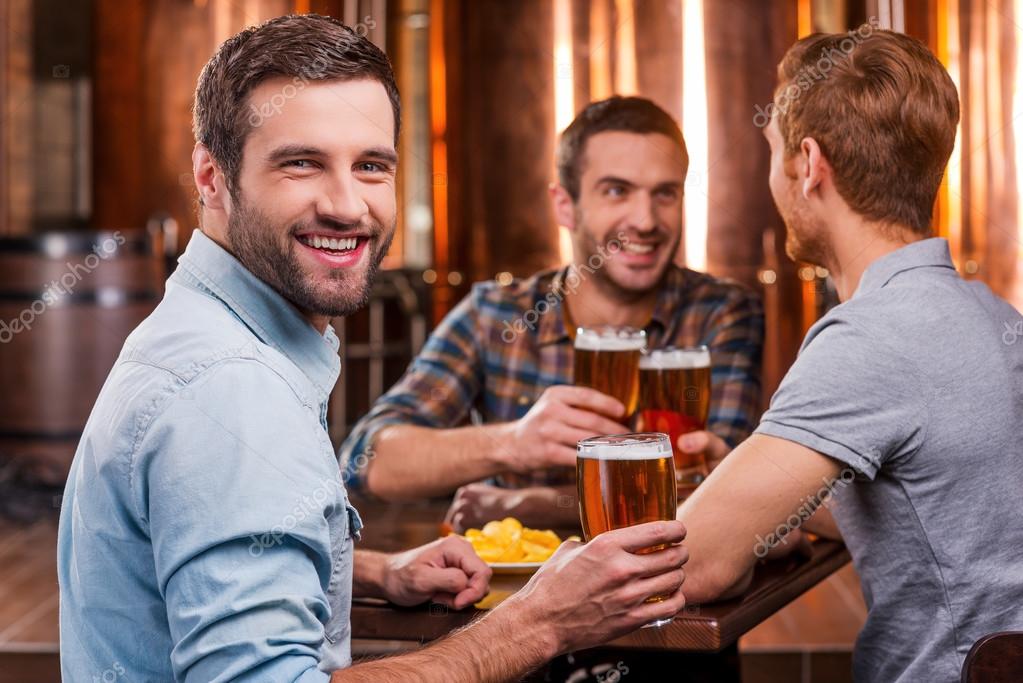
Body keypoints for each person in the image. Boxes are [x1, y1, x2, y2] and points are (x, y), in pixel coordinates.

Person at [57, 15, 688, 682]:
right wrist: (540, 622)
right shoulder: (233, 390)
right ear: (211, 176)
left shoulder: (191, 335)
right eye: (300, 162)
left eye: (370, 166)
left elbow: (190, 555)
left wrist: (368, 570)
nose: (347, 205)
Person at [669, 29, 1023, 682]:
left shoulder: (869, 336)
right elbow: (932, 506)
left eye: (773, 154)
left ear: (808, 164)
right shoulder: (991, 313)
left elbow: (694, 563)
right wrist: (758, 494)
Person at [340, 96, 764, 529]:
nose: (645, 219)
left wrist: (527, 503)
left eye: (665, 194)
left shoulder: (721, 312)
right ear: (565, 205)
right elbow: (364, 462)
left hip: (667, 583)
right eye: (617, 191)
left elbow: (722, 490)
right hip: (512, 590)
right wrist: (511, 443)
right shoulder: (499, 313)